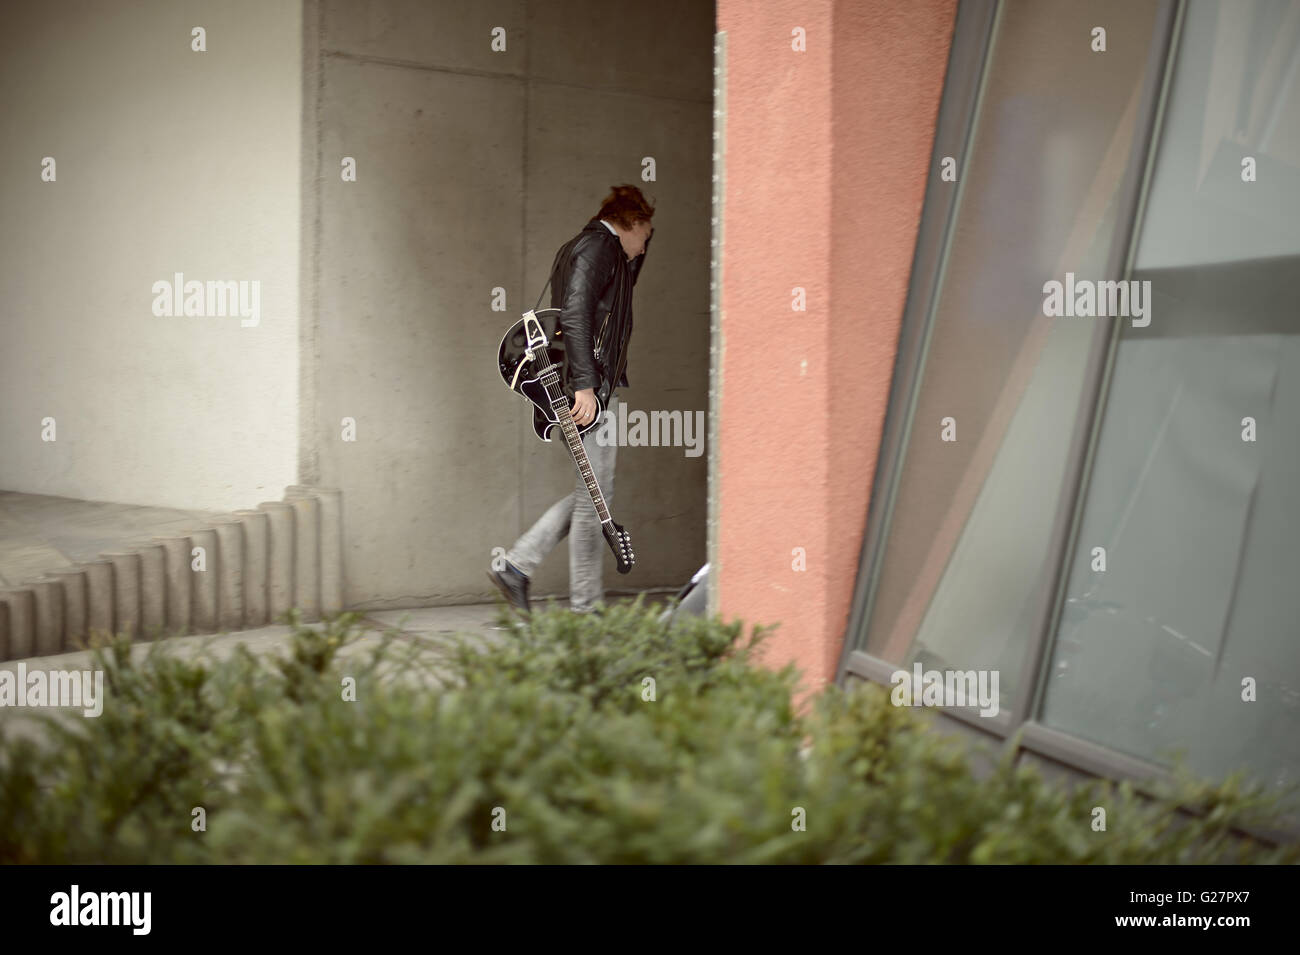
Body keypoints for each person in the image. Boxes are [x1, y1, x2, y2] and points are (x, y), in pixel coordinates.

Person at [489, 185, 655, 615]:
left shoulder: (594, 250)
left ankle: (518, 566)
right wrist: (584, 385)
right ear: (631, 222)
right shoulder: (597, 248)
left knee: (592, 491)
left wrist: (634, 257)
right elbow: (577, 314)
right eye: (646, 234)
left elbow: (606, 305)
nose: (645, 245)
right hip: (585, 387)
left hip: (588, 382)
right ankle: (584, 606)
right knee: (594, 496)